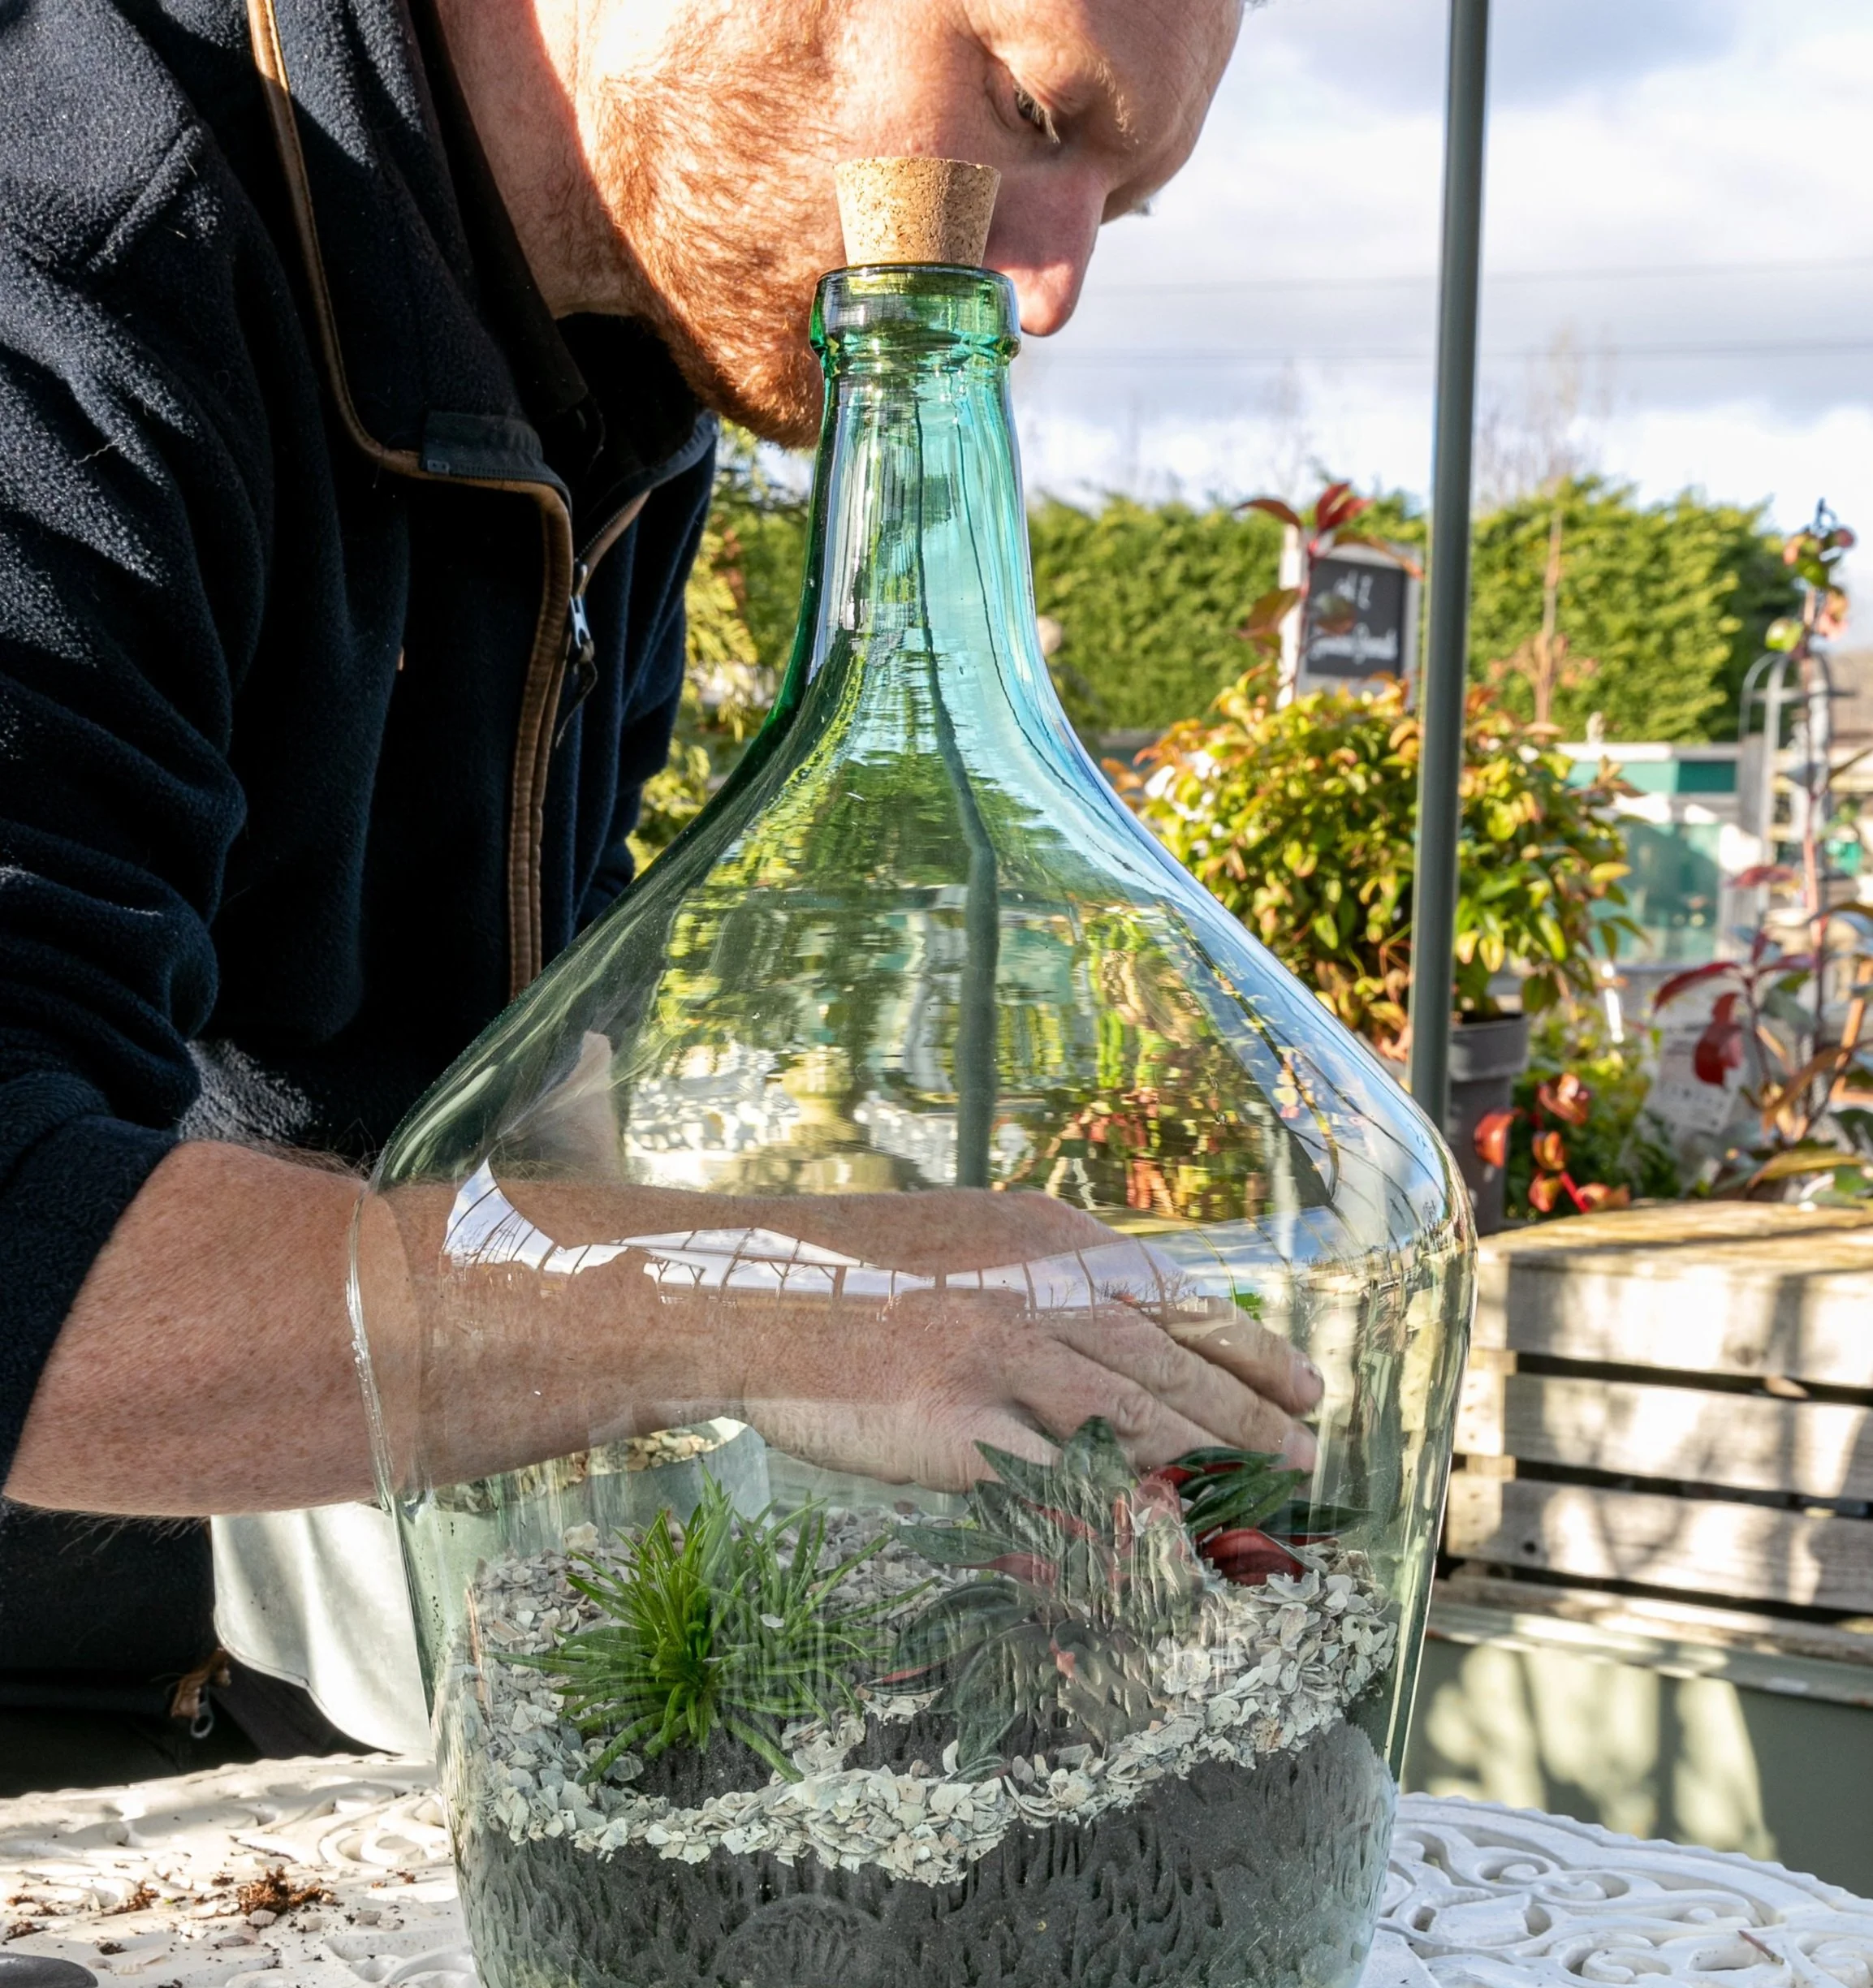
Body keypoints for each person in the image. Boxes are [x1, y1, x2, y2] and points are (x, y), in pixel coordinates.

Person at [0, 0, 1305, 1768]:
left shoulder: (619, 386)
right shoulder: (74, 227)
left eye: (1119, 202)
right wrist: (795, 1301)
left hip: (226, 1680)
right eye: (1025, 105)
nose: (1053, 280)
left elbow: (506, 1117)